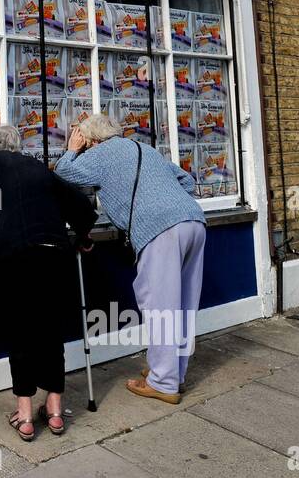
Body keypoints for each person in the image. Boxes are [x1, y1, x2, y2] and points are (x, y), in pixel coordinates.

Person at [0, 124, 96, 441]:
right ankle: (55, 411)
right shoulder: (38, 168)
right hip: (55, 253)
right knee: (51, 329)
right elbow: (83, 207)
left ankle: (26, 416)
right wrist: (83, 239)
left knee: (20, 330)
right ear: (18, 146)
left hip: (17, 256)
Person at [57, 114, 206, 405]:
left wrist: (73, 148)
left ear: (91, 140)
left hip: (161, 230)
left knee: (161, 305)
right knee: (184, 304)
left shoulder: (100, 154)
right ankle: (174, 373)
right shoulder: (143, 148)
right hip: (193, 220)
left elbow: (64, 171)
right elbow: (186, 181)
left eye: (84, 141)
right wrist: (171, 204)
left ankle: (163, 382)